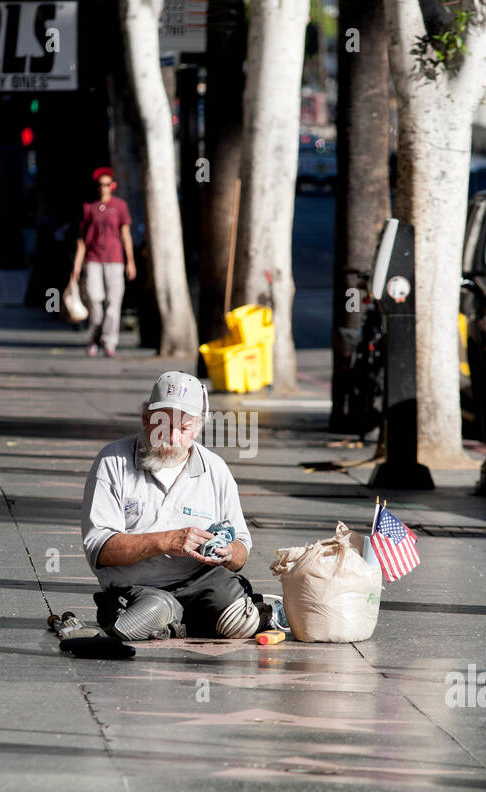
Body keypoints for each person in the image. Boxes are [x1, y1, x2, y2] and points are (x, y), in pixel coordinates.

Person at [81, 372, 284, 641]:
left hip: (201, 583)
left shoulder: (214, 469)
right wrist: (166, 541)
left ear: (198, 428)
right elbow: (100, 548)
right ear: (145, 418)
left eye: (184, 428)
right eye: (162, 423)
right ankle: (175, 617)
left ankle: (183, 621)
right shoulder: (113, 461)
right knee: (143, 616)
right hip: (137, 587)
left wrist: (227, 551)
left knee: (240, 623)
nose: (172, 436)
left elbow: (242, 552)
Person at [72, 166, 135, 358]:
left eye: (107, 185)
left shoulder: (120, 206)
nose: (104, 188)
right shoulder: (88, 207)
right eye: (100, 185)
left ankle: (109, 341)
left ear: (112, 186)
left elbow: (125, 234)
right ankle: (93, 338)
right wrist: (76, 265)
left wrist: (130, 261)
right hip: (93, 259)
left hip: (115, 259)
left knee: (113, 305)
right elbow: (82, 239)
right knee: (95, 302)